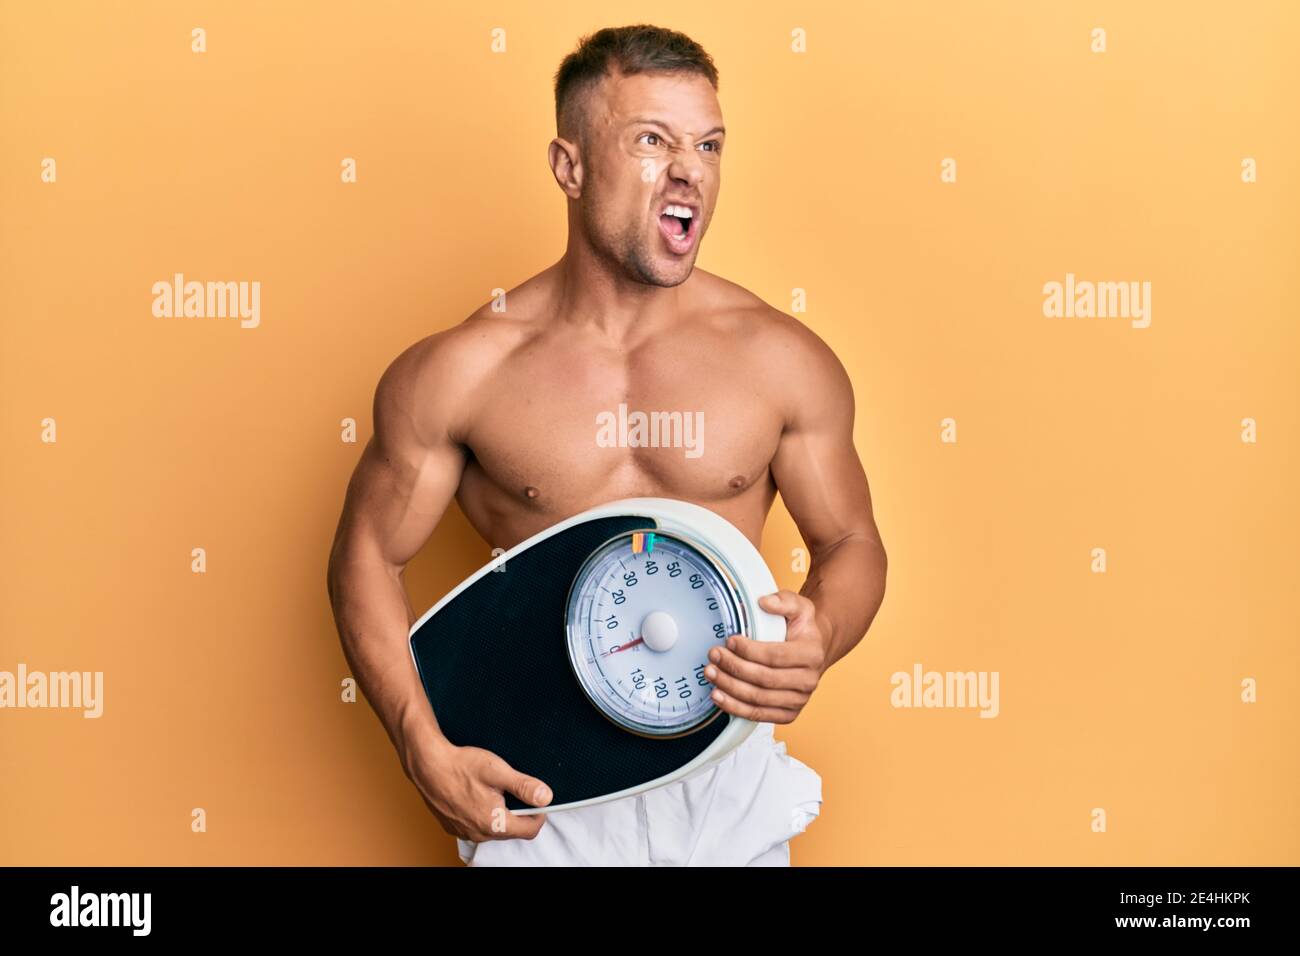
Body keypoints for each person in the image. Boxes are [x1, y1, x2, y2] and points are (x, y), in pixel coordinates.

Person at [326, 23, 888, 866]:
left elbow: (851, 542)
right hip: (538, 793)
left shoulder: (781, 359)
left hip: (724, 793)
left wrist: (824, 632)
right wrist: (419, 742)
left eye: (708, 144)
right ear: (570, 165)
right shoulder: (465, 371)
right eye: (651, 141)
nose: (689, 169)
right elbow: (365, 555)